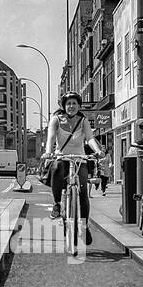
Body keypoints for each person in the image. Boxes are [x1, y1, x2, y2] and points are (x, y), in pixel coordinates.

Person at [45, 92, 102, 243]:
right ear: (64, 106)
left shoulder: (83, 121)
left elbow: (89, 138)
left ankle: (84, 226)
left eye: (74, 103)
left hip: (80, 159)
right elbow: (50, 137)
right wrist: (48, 152)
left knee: (83, 194)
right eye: (68, 103)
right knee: (57, 167)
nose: (71, 106)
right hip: (62, 157)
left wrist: (97, 151)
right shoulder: (56, 120)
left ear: (79, 106)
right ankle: (57, 204)